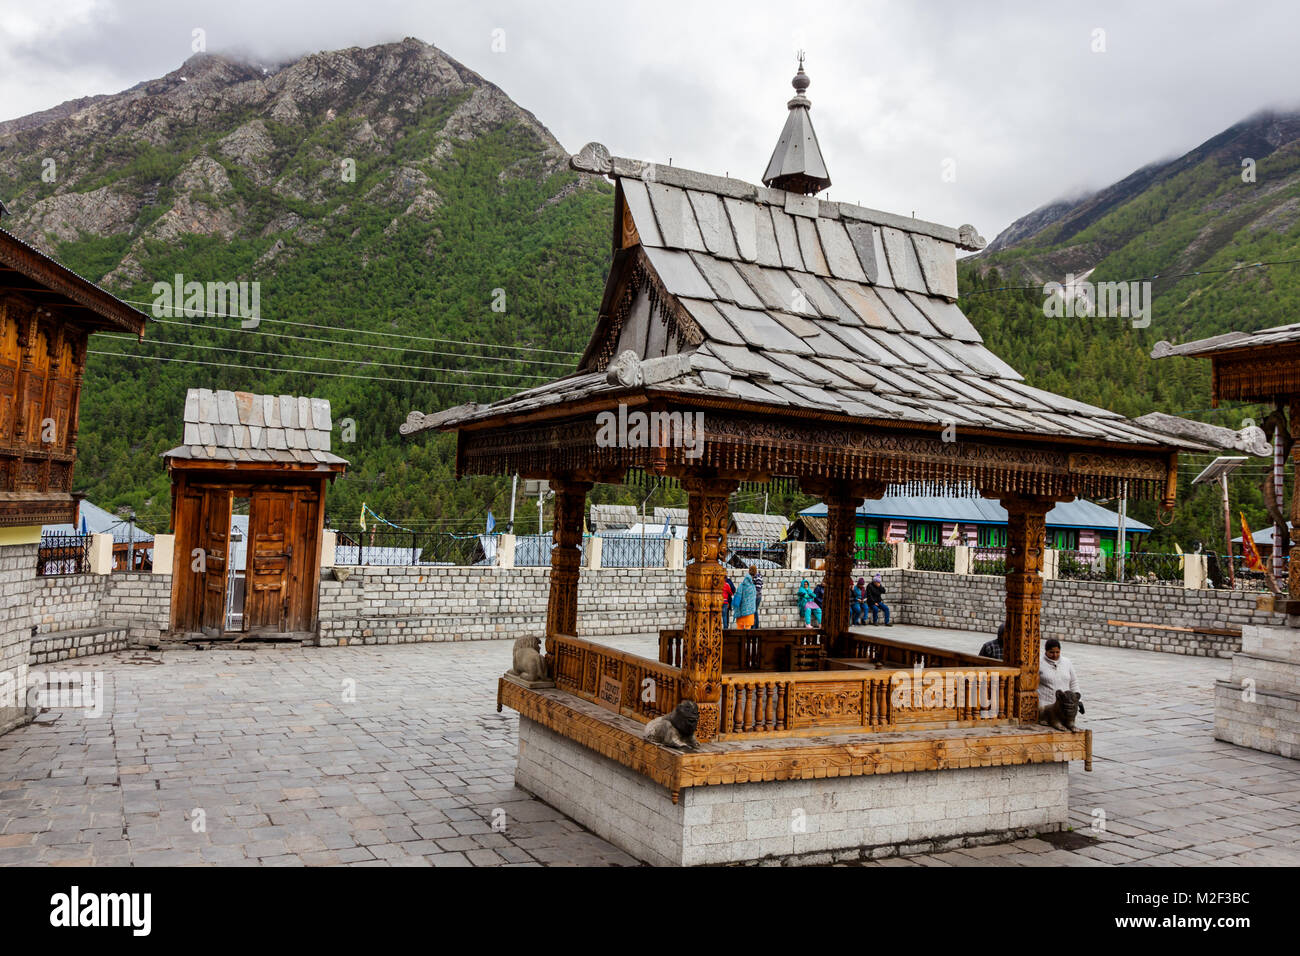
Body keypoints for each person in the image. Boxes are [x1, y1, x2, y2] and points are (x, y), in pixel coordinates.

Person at [1039, 638, 1081, 708]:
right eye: (1051, 652)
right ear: (1046, 651)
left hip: (1064, 706)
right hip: (1045, 707)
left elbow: (1073, 682)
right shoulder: (1039, 663)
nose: (1055, 655)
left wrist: (1078, 700)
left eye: (1057, 652)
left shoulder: (1067, 662)